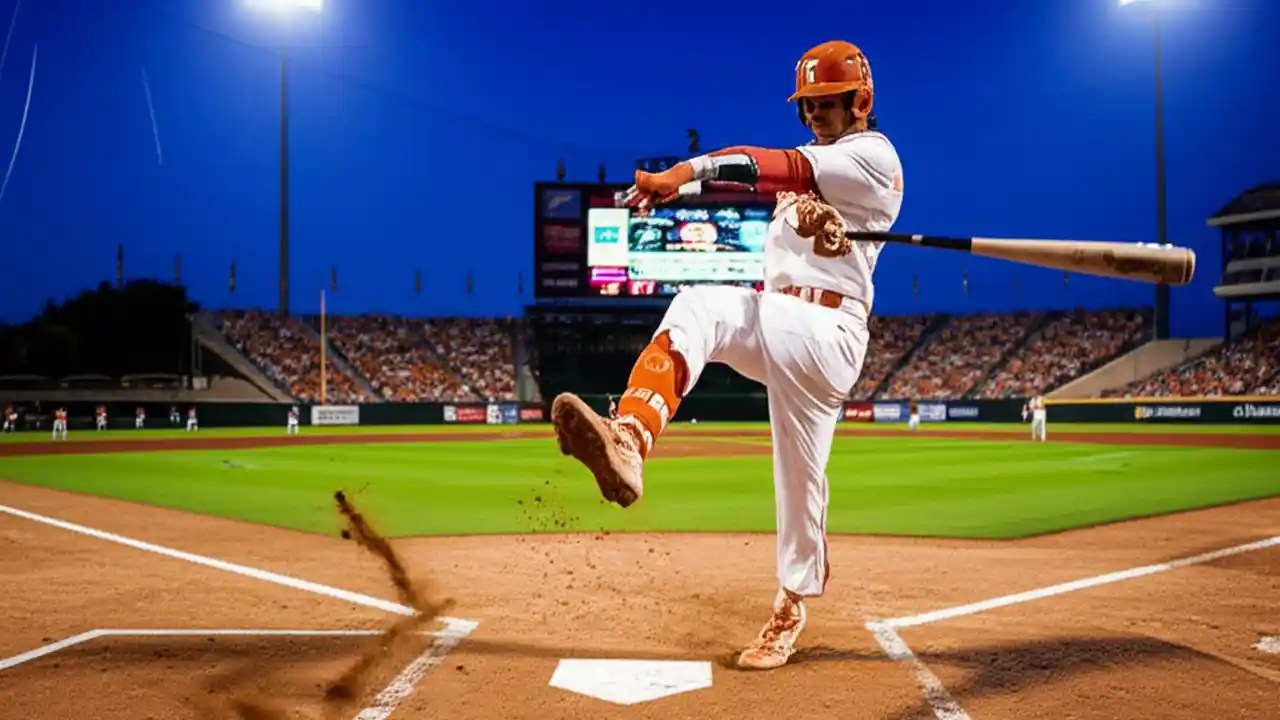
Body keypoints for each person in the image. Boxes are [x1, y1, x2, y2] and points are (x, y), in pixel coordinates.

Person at [550, 39, 903, 671]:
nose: (814, 115)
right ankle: (630, 440)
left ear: (862, 101)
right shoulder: (820, 163)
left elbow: (771, 167)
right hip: (783, 320)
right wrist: (821, 230)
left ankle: (790, 597)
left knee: (797, 467)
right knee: (698, 308)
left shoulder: (874, 156)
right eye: (807, 106)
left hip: (830, 334)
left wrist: (683, 175)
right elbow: (794, 191)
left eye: (826, 103)